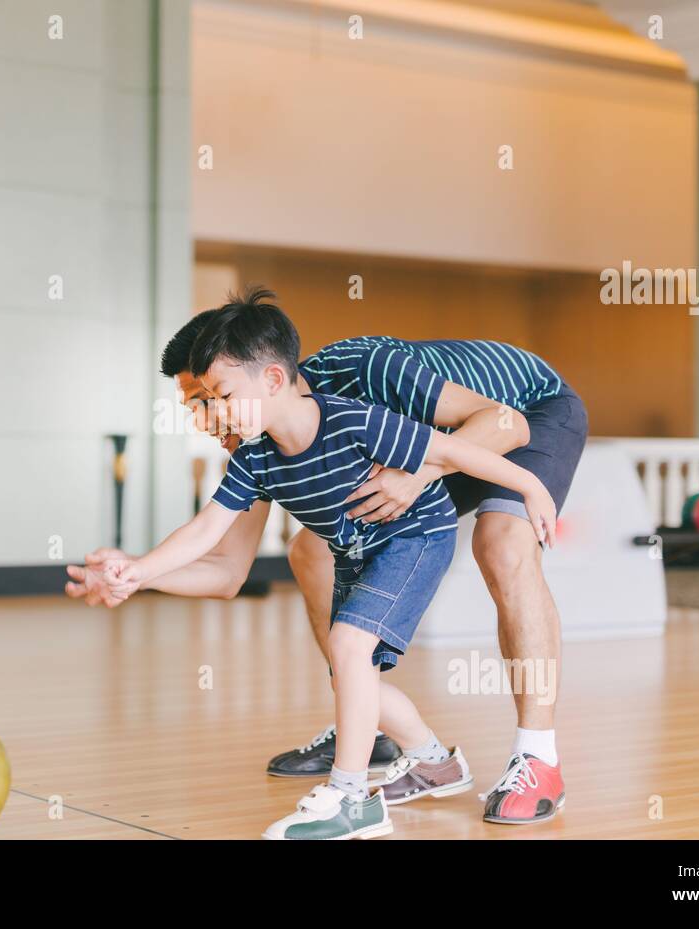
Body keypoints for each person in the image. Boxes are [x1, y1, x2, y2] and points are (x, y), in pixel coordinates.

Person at [67, 288, 588, 825]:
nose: (207, 419)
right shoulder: (263, 443)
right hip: (424, 456)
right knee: (309, 552)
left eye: (211, 397)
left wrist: (417, 475)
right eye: (198, 405)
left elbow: (507, 424)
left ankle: (538, 755)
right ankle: (367, 717)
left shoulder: (364, 373)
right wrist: (137, 575)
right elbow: (225, 569)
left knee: (500, 544)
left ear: (264, 376)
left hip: (524, 411)